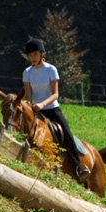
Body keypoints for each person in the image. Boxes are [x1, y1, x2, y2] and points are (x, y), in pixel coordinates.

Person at [22, 37, 88, 178]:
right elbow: (28, 95)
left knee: (67, 134)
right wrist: (26, 105)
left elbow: (55, 94)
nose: (33, 58)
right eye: (30, 55)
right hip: (35, 111)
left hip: (51, 109)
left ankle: (78, 168)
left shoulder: (51, 70)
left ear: (41, 53)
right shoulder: (27, 72)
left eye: (35, 54)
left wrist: (42, 104)